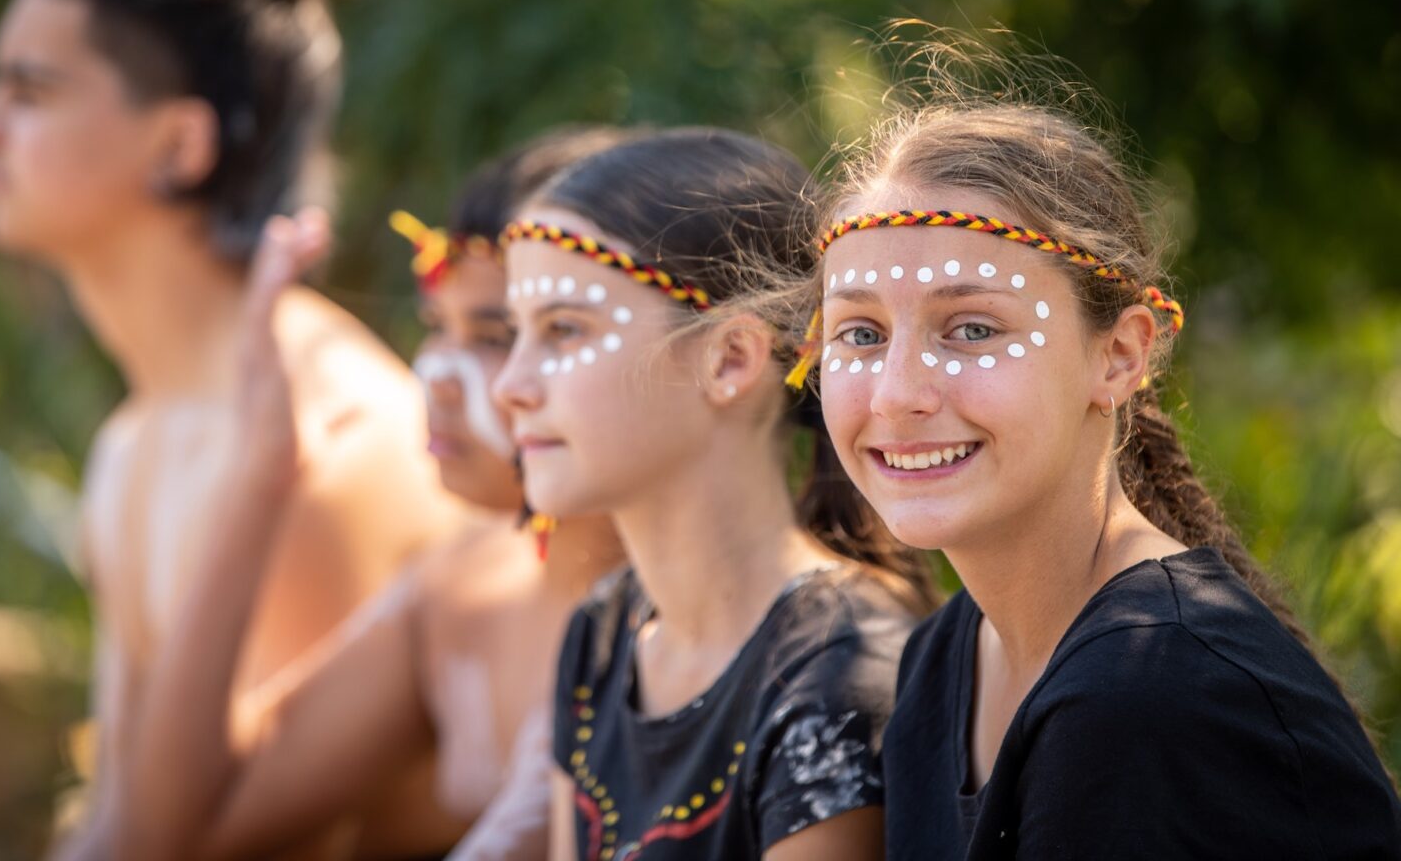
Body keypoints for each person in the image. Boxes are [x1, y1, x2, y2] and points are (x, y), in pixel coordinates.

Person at [0, 0, 462, 858]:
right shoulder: (138, 437)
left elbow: (213, 842)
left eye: (28, 90)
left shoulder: (332, 445)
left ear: (180, 144)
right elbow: (117, 821)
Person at [801, 65, 1401, 856]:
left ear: (1120, 355)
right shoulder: (943, 660)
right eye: (862, 334)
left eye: (973, 329)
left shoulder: (1150, 695)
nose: (896, 394)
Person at [99, 128, 631, 860]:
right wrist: (259, 481)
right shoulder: (457, 589)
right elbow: (173, 829)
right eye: (436, 328)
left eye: (495, 334)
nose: (439, 375)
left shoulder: (670, 618)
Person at [491, 128, 941, 861]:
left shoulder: (838, 679)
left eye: (563, 330)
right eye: (514, 335)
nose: (510, 386)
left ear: (731, 358)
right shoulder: (604, 635)